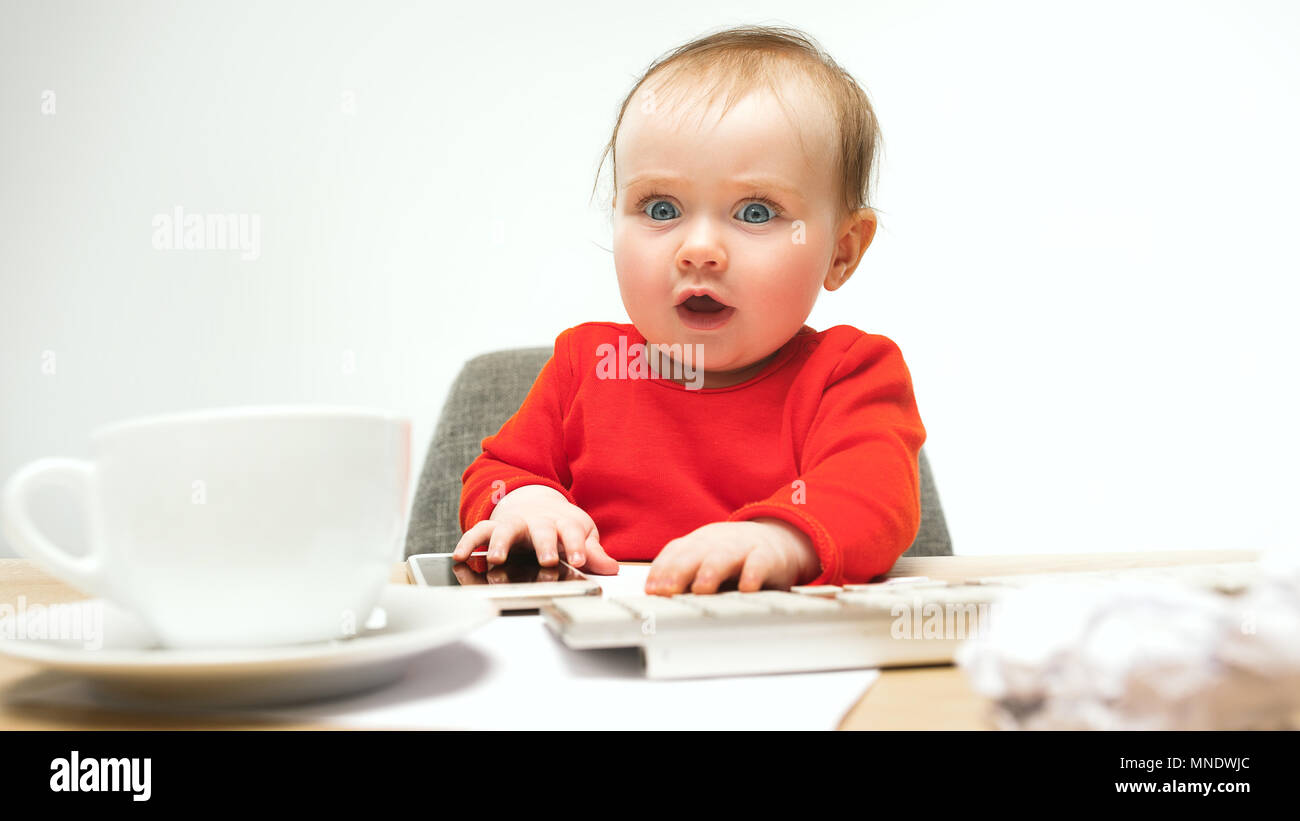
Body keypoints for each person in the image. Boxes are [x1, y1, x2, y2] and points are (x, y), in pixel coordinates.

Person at [453, 24, 926, 596]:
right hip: (604, 650)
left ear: (841, 251)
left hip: (771, 653)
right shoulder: (587, 364)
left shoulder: (848, 373)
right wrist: (528, 503)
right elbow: (500, 475)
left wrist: (781, 541)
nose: (698, 250)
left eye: (755, 212)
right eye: (660, 207)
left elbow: (873, 496)